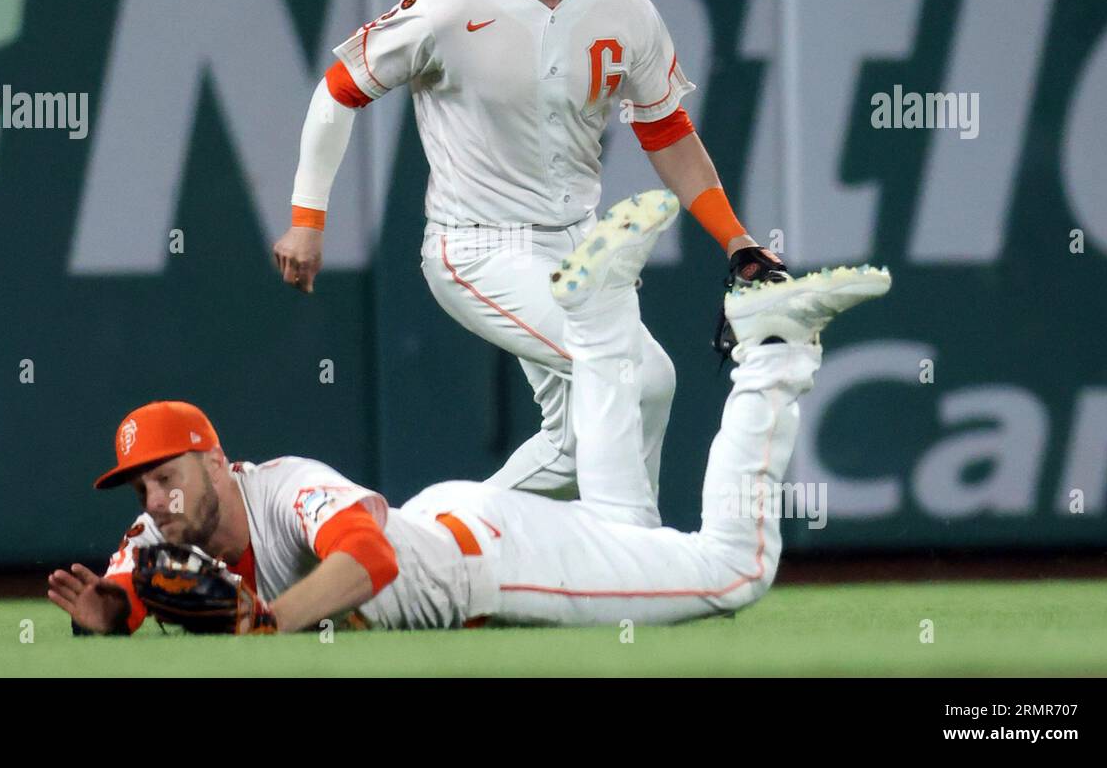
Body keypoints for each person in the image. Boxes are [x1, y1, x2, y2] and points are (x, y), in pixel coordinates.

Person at [50, 191, 888, 633]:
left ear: (211, 459)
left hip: (477, 558)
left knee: (731, 571)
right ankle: (597, 314)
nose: (153, 499)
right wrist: (108, 617)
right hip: (451, 519)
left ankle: (771, 351)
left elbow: (369, 559)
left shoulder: (280, 489)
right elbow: (128, 587)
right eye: (139, 488)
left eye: (163, 476)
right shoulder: (160, 532)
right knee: (625, 526)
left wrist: (268, 623)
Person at [271, 0, 784, 519]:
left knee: (602, 420)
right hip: (478, 246)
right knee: (628, 375)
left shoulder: (625, 9)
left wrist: (736, 238)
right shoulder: (449, 8)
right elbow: (338, 89)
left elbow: (666, 131)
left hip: (580, 244)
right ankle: (636, 554)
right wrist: (307, 218)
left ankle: (425, 546)